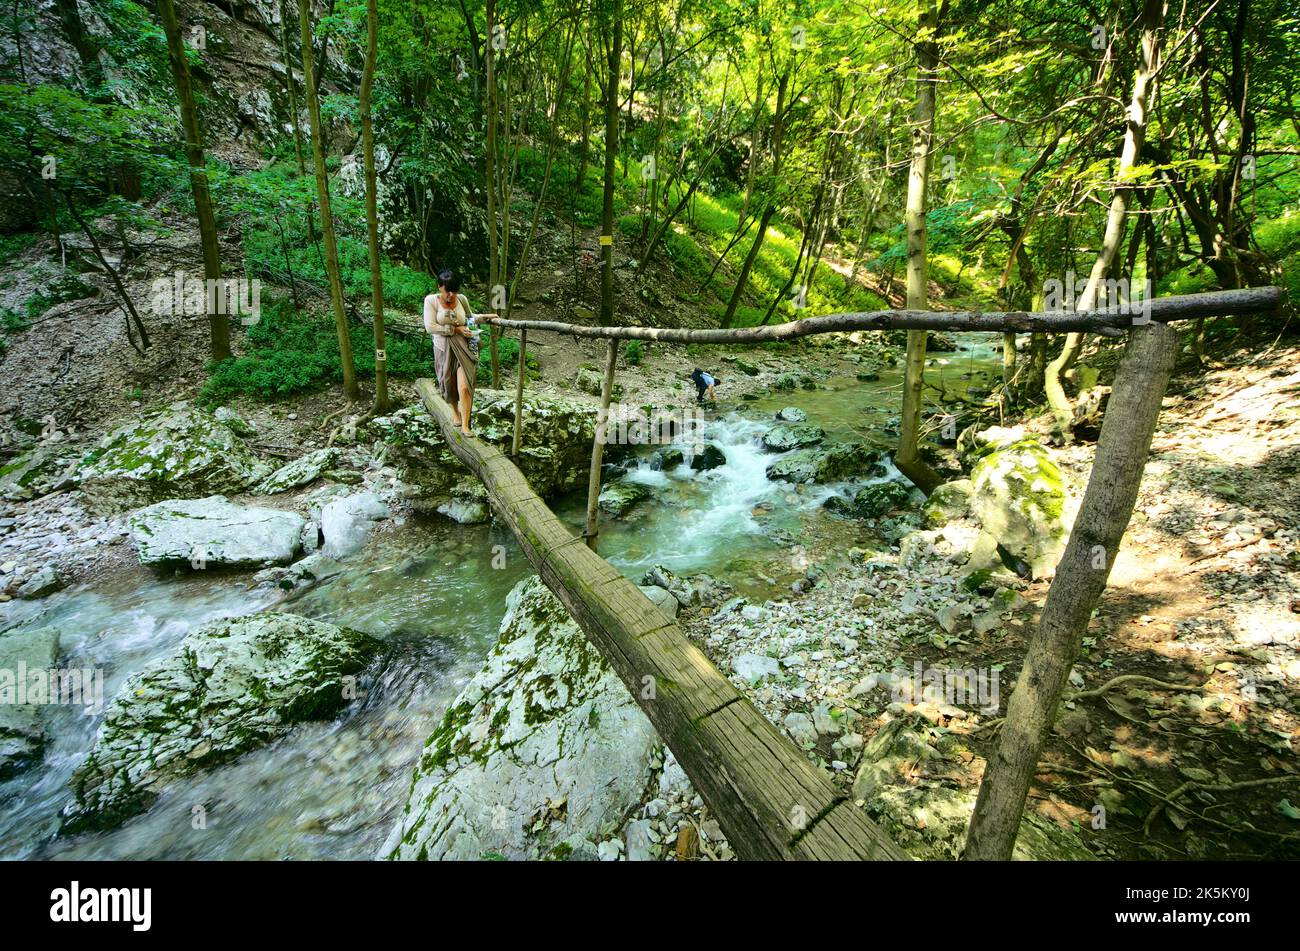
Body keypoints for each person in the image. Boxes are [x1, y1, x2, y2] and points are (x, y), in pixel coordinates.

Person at [424, 270, 490, 436]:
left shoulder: (462, 299)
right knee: (450, 383)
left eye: (455, 290)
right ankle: (455, 412)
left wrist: (486, 318)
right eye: (448, 290)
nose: (451, 295)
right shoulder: (431, 301)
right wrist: (455, 329)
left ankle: (466, 425)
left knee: (464, 385)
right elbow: (430, 327)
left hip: (464, 347)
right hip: (443, 347)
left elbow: (469, 317)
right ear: (440, 287)